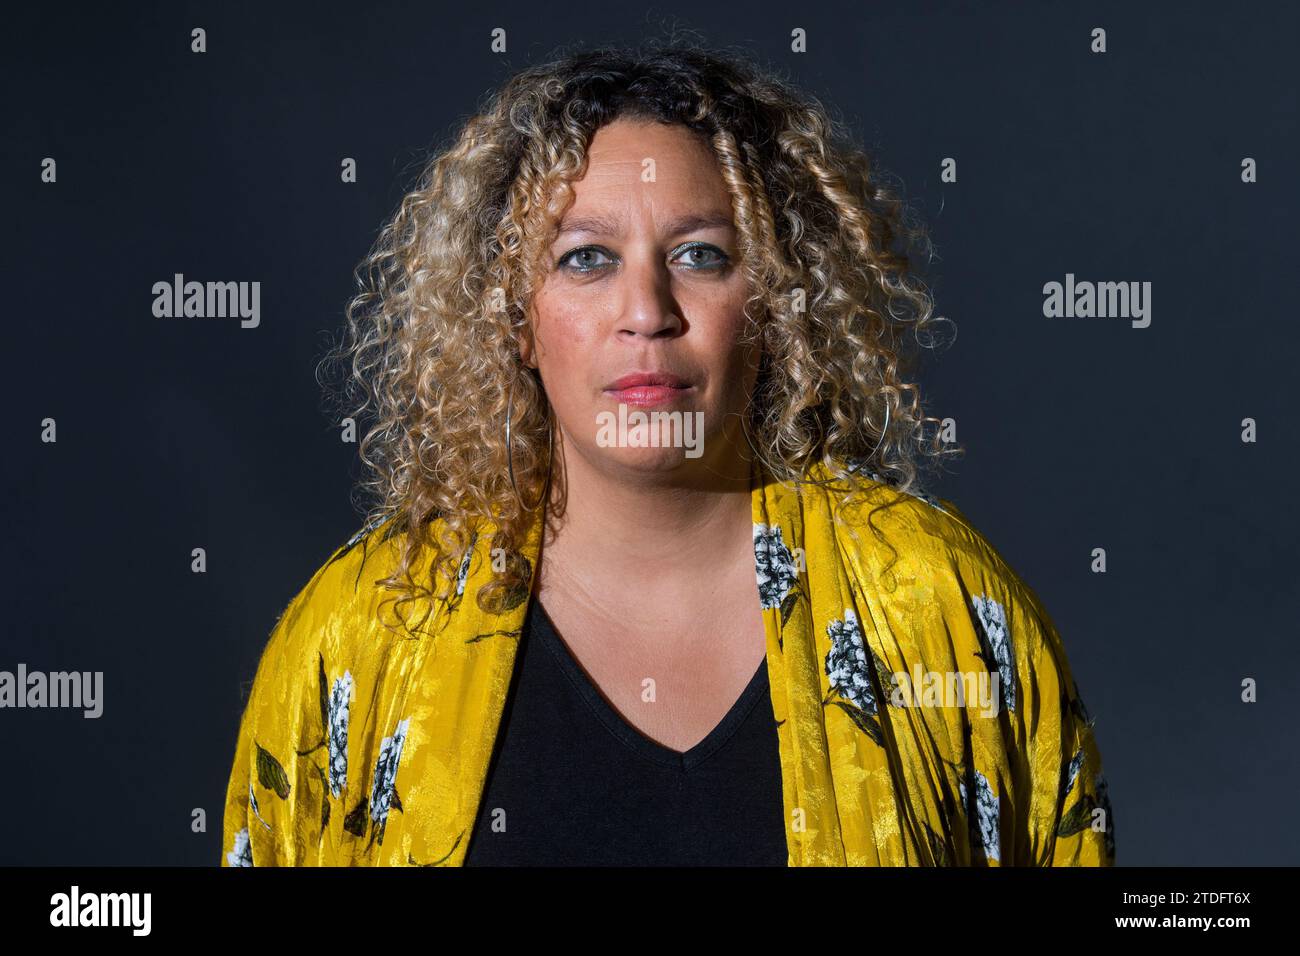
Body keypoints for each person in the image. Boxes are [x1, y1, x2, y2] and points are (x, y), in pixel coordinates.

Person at [220, 42, 1114, 867]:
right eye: (585, 259)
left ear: (773, 301)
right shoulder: (367, 632)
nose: (646, 309)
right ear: (513, 320)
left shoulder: (939, 607)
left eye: (698, 254)